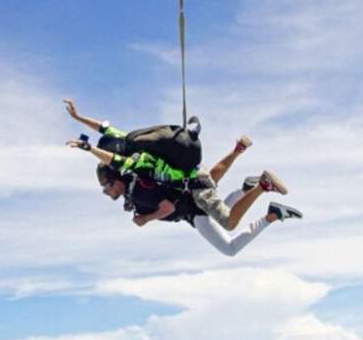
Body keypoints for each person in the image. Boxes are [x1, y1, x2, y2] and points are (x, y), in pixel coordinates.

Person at [64, 98, 302, 255]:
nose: (106, 192)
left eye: (106, 187)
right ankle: (244, 184)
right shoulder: (131, 144)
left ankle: (262, 189)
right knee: (212, 191)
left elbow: (116, 163)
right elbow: (105, 129)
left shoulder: (135, 170)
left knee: (229, 236)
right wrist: (78, 118)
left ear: (115, 179)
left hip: (192, 200)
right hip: (195, 178)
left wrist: (89, 149)